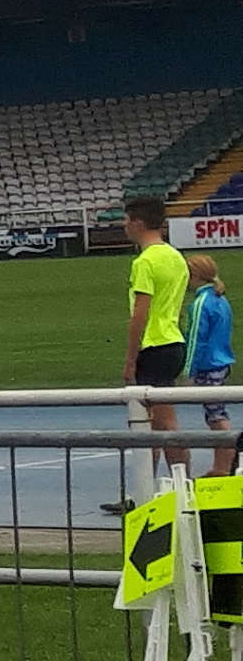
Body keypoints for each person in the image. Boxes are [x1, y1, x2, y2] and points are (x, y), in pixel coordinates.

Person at [124, 197, 190, 483]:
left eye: (127, 220)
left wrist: (130, 359)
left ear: (138, 223)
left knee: (160, 422)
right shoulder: (176, 257)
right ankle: (147, 486)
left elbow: (141, 313)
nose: (124, 226)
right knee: (151, 423)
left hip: (154, 344)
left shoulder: (145, 262)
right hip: (173, 339)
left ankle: (182, 485)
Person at [187, 250, 235, 480]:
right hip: (221, 362)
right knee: (214, 413)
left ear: (195, 276)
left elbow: (196, 339)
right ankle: (221, 465)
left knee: (216, 415)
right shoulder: (220, 299)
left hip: (209, 365)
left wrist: (189, 370)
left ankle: (224, 466)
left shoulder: (201, 303)